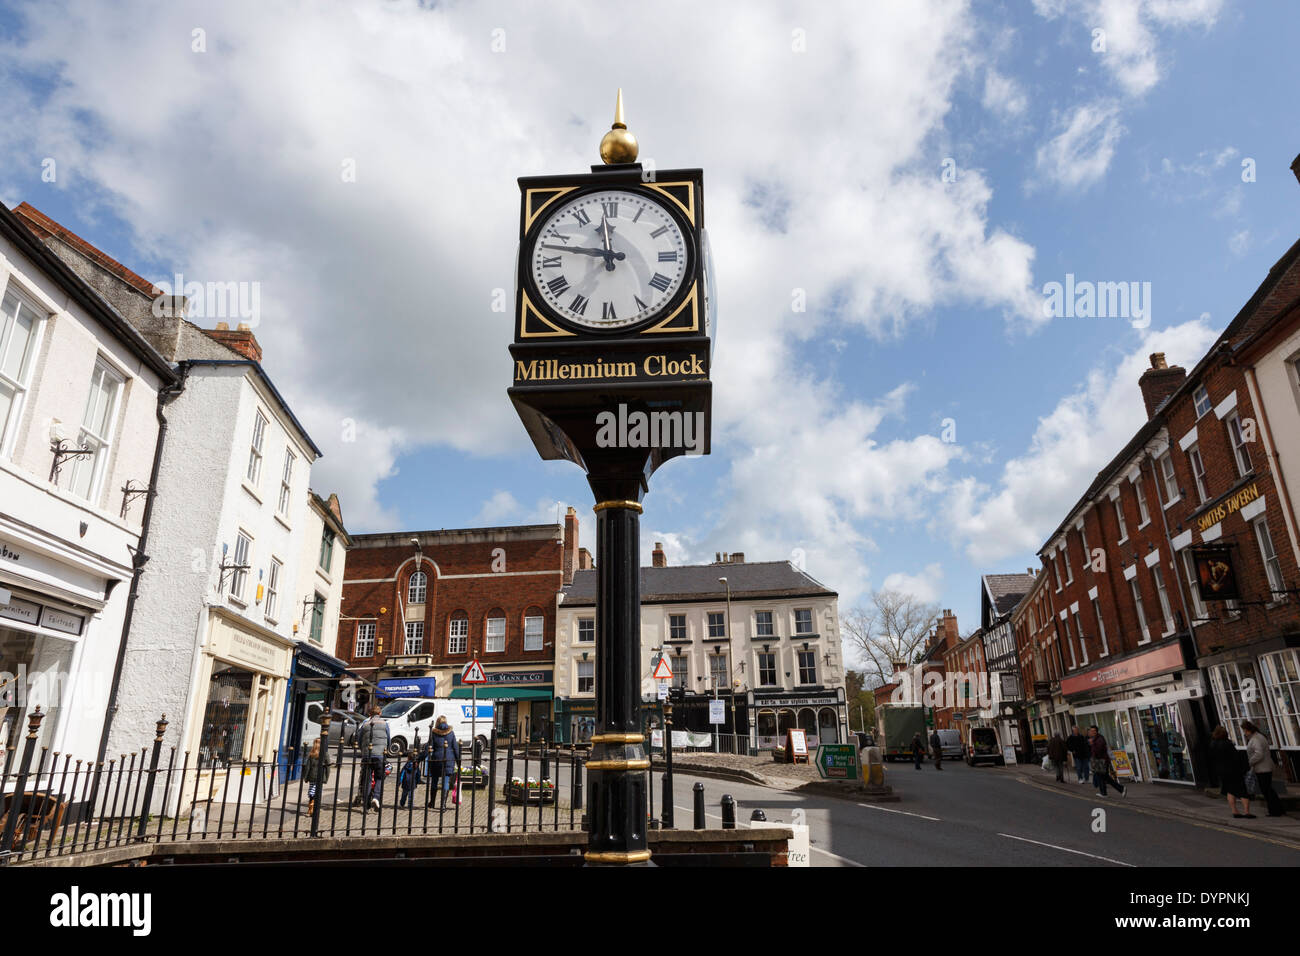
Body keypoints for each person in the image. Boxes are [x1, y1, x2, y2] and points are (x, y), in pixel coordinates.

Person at [1242, 721, 1286, 817]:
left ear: (1249, 730)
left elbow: (1259, 754)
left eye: (1245, 730)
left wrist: (1250, 762)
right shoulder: (1258, 737)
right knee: (1268, 789)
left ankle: (1274, 811)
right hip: (1264, 767)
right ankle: (1279, 809)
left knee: (1266, 790)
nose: (1244, 733)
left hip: (1263, 768)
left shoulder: (1256, 739)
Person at [1209, 725, 1252, 819]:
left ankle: (1234, 811)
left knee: (1230, 790)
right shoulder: (1227, 744)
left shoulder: (1213, 744)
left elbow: (1212, 759)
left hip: (1222, 771)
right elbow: (1235, 757)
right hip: (1233, 770)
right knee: (1242, 790)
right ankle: (1247, 812)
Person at [357, 705, 390, 812]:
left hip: (367, 755)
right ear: (380, 713)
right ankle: (376, 797)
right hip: (380, 755)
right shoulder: (385, 724)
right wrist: (386, 749)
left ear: (370, 714)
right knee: (379, 778)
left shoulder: (365, 724)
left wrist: (363, 750)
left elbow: (359, 739)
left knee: (367, 779)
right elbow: (388, 738)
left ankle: (366, 804)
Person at [426, 715, 461, 808]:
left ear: (438, 722)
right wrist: (459, 761)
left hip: (436, 760)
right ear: (446, 722)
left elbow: (429, 748)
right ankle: (443, 804)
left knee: (434, 781)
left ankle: (432, 802)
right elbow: (455, 748)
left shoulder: (434, 733)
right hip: (448, 760)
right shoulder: (451, 733)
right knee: (445, 782)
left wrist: (419, 758)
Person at [1088, 725, 1126, 797]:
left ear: (1096, 731)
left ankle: (1121, 788)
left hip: (1102, 761)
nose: (1092, 732)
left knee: (1105, 777)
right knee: (1102, 777)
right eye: (1091, 731)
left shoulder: (1100, 739)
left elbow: (1098, 750)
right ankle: (1104, 793)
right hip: (1099, 761)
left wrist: (1092, 744)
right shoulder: (1095, 739)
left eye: (1093, 731)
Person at [302, 738, 330, 817]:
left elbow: (308, 767)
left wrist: (306, 777)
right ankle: (315, 808)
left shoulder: (312, 753)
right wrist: (326, 778)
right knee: (318, 792)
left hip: (312, 776)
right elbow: (328, 767)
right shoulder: (325, 753)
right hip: (320, 777)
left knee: (312, 791)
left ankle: (310, 807)